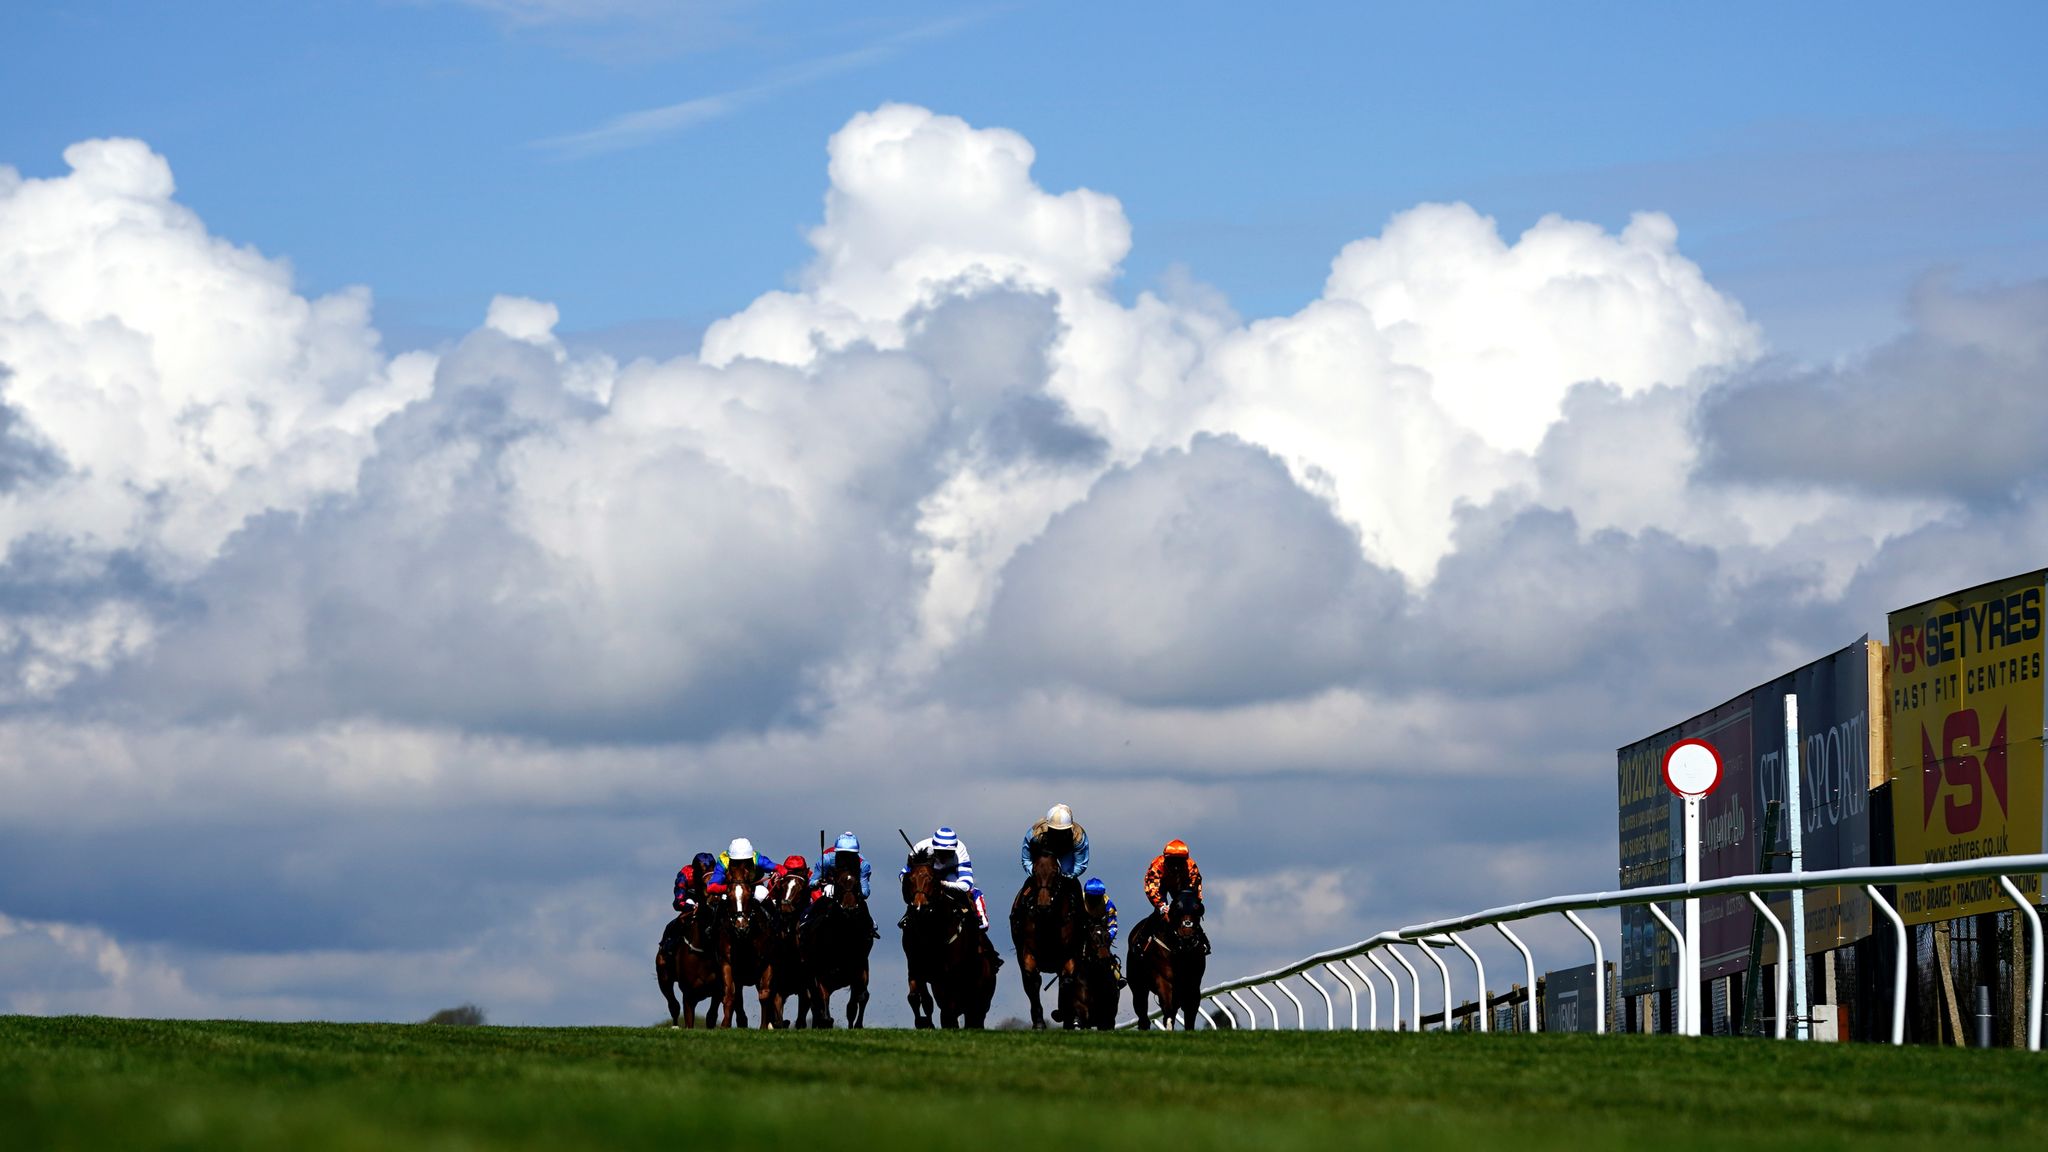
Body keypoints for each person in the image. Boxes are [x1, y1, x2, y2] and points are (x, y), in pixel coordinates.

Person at [904, 826, 990, 931]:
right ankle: (909, 916)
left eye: (949, 853)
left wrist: (943, 884)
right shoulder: (920, 847)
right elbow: (903, 874)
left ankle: (980, 918)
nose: (944, 857)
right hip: (928, 877)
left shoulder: (960, 850)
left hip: (950, 875)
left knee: (971, 891)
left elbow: (966, 885)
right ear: (934, 849)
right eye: (940, 853)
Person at [1139, 838, 1209, 954]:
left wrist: (1194, 903)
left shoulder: (1191, 866)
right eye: (1172, 861)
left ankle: (1202, 939)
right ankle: (1142, 938)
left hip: (1180, 886)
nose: (1176, 866)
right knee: (1161, 913)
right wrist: (1161, 905)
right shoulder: (1157, 865)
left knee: (1189, 910)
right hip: (1161, 886)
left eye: (1180, 861)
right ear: (1166, 859)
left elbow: (1195, 887)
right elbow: (1152, 888)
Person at [1017, 803, 1090, 879]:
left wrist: (1067, 877)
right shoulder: (1035, 833)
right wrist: (1033, 872)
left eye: (1063, 831)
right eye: (1055, 831)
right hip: (1043, 851)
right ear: (1048, 827)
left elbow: (1080, 864)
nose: (1059, 836)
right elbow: (1026, 859)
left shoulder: (1078, 837)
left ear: (1070, 829)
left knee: (1066, 870)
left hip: (1066, 853)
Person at [1082, 876, 1124, 985]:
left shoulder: (1109, 905)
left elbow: (1113, 925)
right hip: (1083, 933)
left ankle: (1116, 977)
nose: (1094, 900)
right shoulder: (1079, 902)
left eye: (1097, 897)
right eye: (1091, 897)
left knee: (1107, 957)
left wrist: (1107, 937)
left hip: (1101, 936)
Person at [810, 831, 874, 900]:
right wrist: (818, 882)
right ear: (836, 852)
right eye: (842, 855)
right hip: (827, 893)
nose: (846, 858)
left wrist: (853, 887)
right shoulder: (826, 860)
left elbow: (865, 893)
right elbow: (811, 883)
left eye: (850, 855)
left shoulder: (863, 865)